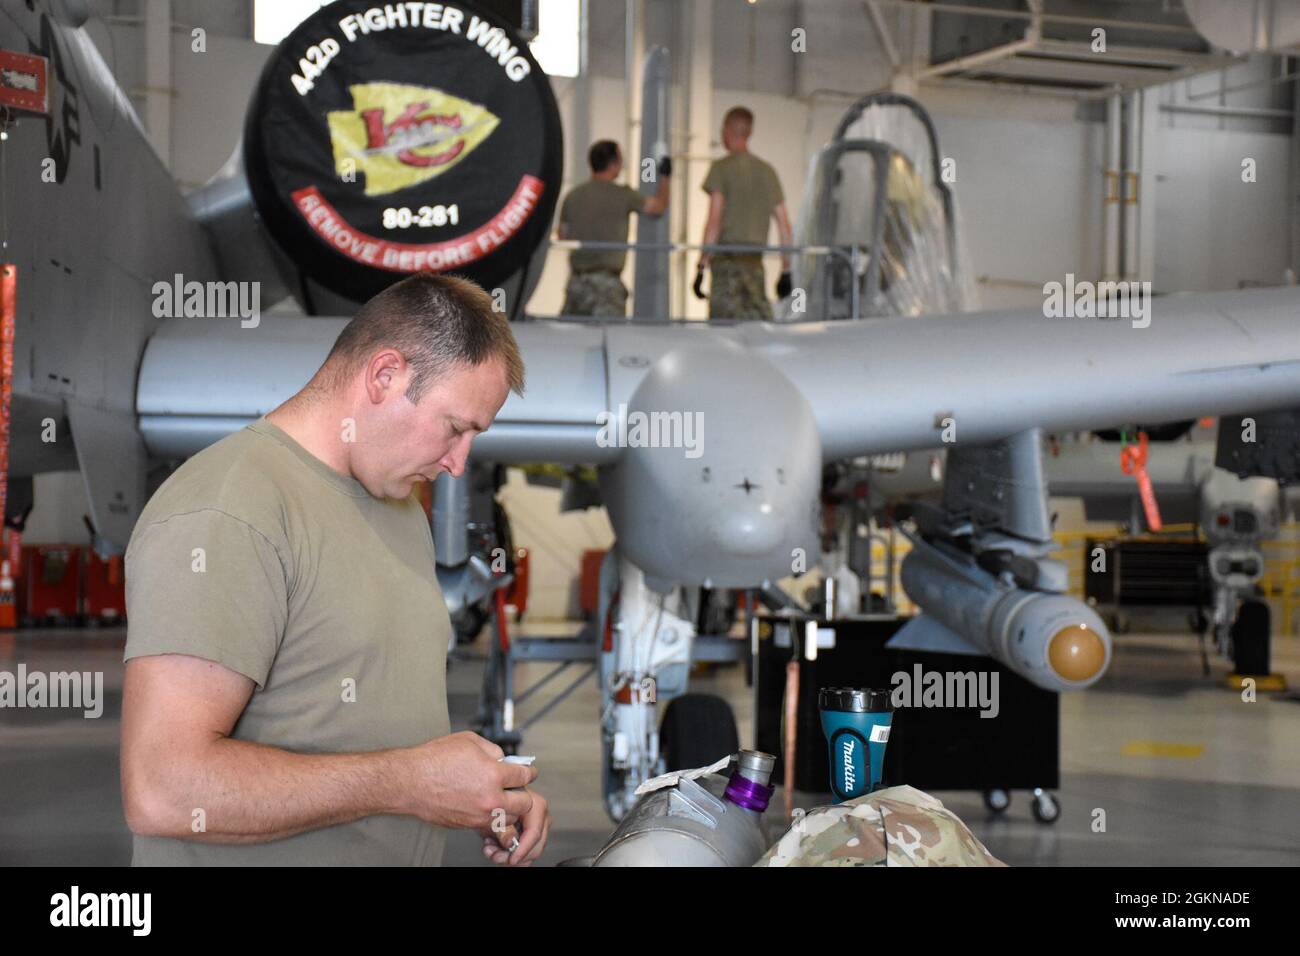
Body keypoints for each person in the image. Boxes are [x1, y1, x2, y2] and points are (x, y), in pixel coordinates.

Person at [120, 272, 550, 867]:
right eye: (455, 429)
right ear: (384, 376)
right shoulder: (229, 510)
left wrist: (476, 786)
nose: (458, 464)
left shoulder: (399, 507)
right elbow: (164, 789)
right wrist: (409, 782)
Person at [695, 106, 793, 320]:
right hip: (755, 267)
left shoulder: (721, 168)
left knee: (724, 337)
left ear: (727, 130)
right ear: (749, 132)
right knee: (758, 335)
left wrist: (701, 265)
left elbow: (714, 221)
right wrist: (786, 270)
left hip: (726, 268)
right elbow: (784, 226)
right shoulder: (768, 172)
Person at [557, 139, 670, 316]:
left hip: (576, 284)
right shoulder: (623, 195)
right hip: (607, 287)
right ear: (613, 164)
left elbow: (562, 235)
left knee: (572, 340)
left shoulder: (573, 196)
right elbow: (658, 207)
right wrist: (664, 176)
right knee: (609, 340)